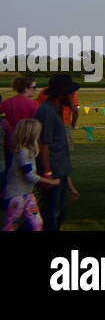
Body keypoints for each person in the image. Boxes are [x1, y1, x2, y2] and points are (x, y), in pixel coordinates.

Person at [35, 74, 79, 230]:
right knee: (50, 212)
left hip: (61, 168)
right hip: (53, 170)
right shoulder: (46, 112)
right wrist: (47, 173)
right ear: (61, 94)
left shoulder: (57, 110)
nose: (73, 96)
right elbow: (43, 144)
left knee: (60, 209)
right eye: (70, 92)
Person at [3, 119, 58, 230]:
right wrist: (50, 181)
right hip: (17, 194)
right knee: (12, 224)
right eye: (38, 133)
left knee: (37, 223)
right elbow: (29, 175)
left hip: (28, 194)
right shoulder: (22, 152)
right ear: (32, 134)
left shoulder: (30, 150)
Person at [0, 77, 39, 174]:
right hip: (27, 141)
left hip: (10, 141)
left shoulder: (8, 102)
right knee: (28, 170)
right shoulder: (33, 104)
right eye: (34, 87)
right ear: (26, 88)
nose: (35, 90)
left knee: (10, 169)